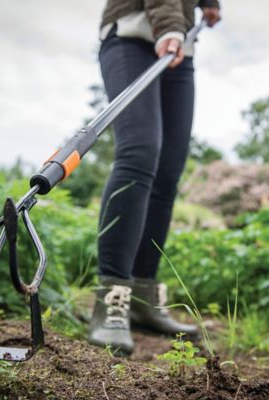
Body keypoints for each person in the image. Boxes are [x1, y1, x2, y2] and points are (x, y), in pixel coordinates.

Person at [88, 0, 221, 354]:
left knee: (167, 173)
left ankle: (143, 298)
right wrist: (167, 26)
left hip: (181, 46)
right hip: (132, 35)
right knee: (139, 153)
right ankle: (111, 299)